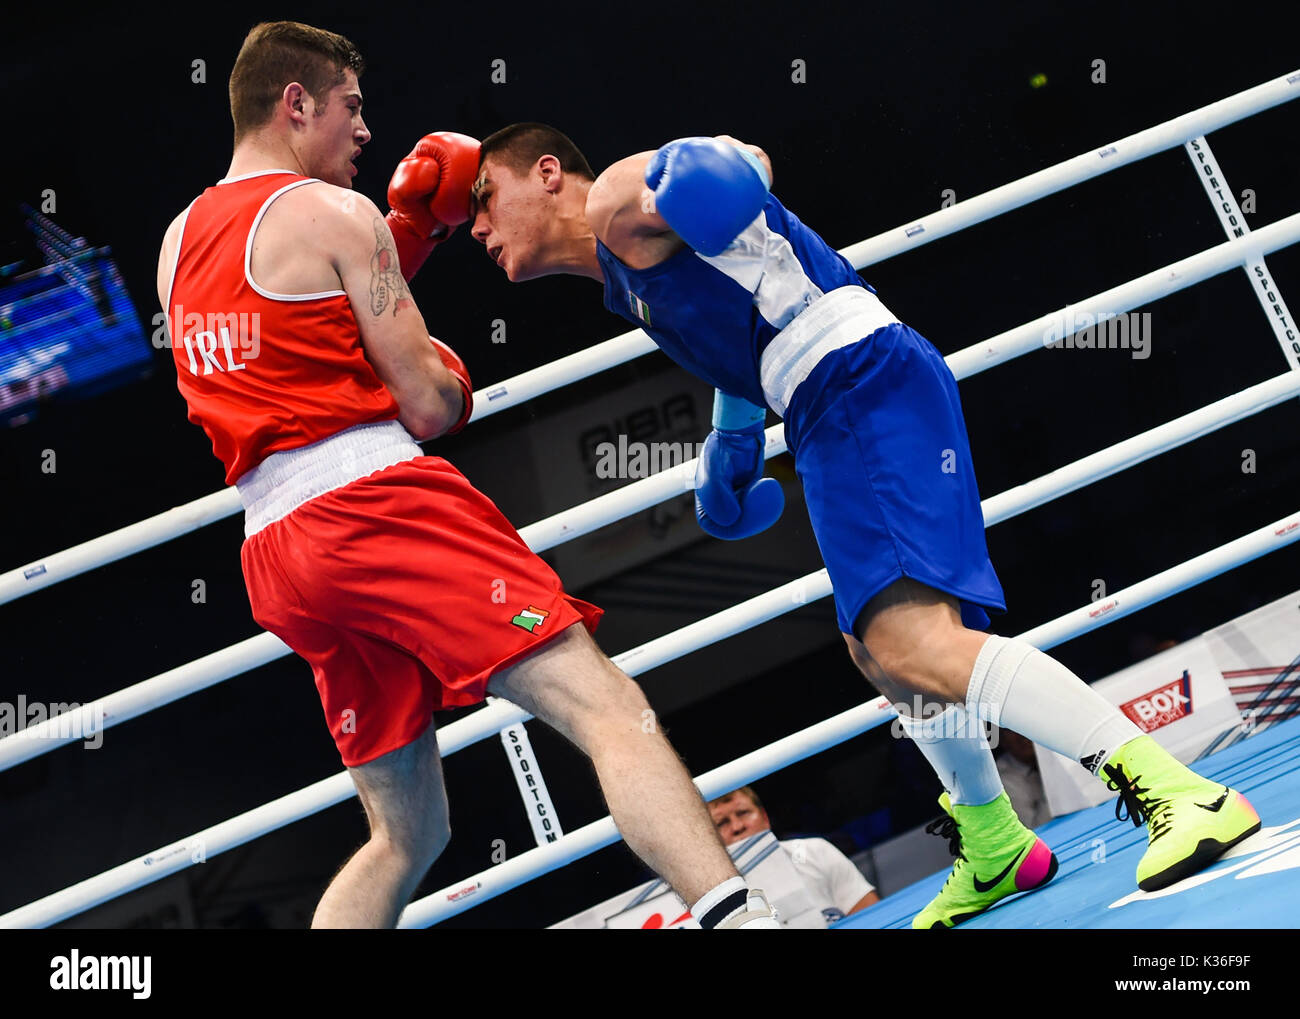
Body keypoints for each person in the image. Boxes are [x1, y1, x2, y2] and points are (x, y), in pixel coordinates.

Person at [462, 122, 1262, 927]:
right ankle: (995, 841)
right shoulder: (621, 273)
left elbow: (743, 165)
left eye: (484, 199)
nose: (479, 229)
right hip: (825, 405)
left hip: (855, 381)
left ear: (548, 172)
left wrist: (730, 167)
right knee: (880, 652)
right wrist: (732, 438)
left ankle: (1178, 789)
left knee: (914, 641)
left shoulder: (612, 200)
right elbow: (745, 322)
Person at [154, 22, 778, 930]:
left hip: (276, 550)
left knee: (405, 835)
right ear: (297, 103)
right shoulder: (342, 215)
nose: (367, 132)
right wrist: (445, 364)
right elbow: (430, 405)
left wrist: (409, 246)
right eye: (351, 107)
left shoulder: (177, 241)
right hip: (372, 504)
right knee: (606, 706)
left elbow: (280, 349)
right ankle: (739, 918)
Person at [709, 786, 879, 923]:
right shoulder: (712, 896)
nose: (738, 827)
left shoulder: (814, 852)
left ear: (765, 817)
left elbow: (873, 919)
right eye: (722, 823)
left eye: (743, 813)